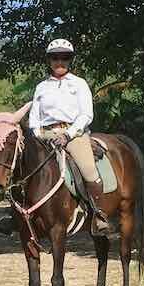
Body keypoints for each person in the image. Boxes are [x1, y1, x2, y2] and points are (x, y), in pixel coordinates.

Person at [26, 38, 109, 235]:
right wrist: (38, 135)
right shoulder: (41, 87)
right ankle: (17, 216)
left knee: (89, 170)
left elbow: (86, 114)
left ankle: (98, 215)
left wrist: (67, 135)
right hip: (45, 135)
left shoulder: (79, 84)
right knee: (22, 166)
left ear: (70, 60)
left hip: (73, 134)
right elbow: (34, 118)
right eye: (55, 57)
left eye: (64, 57)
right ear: (49, 60)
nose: (59, 62)